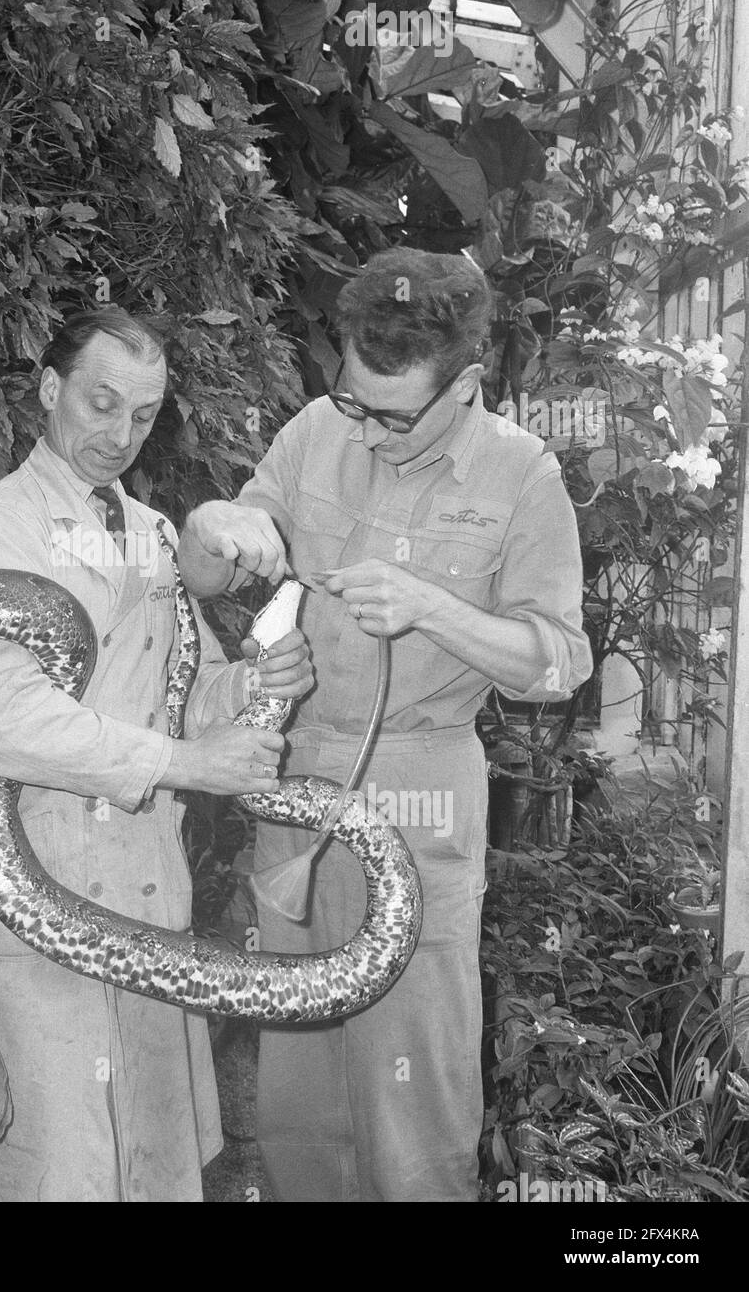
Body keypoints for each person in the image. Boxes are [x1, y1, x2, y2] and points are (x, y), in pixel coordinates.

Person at [178, 248, 593, 1202]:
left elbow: (555, 665)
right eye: (351, 400)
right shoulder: (317, 430)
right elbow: (218, 563)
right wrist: (211, 530)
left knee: (415, 1070)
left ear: (465, 387)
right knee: (295, 1068)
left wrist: (429, 606)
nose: (362, 431)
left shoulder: (520, 474)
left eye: (392, 415)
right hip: (297, 776)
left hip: (421, 787)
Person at [0, 306, 315, 1201]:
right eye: (100, 405)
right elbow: (4, 723)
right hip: (30, 902)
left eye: (140, 416)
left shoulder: (148, 532)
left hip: (139, 895)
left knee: (144, 1161)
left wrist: (256, 678)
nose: (119, 435)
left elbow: (188, 690)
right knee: (49, 1167)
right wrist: (188, 767)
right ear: (50, 390)